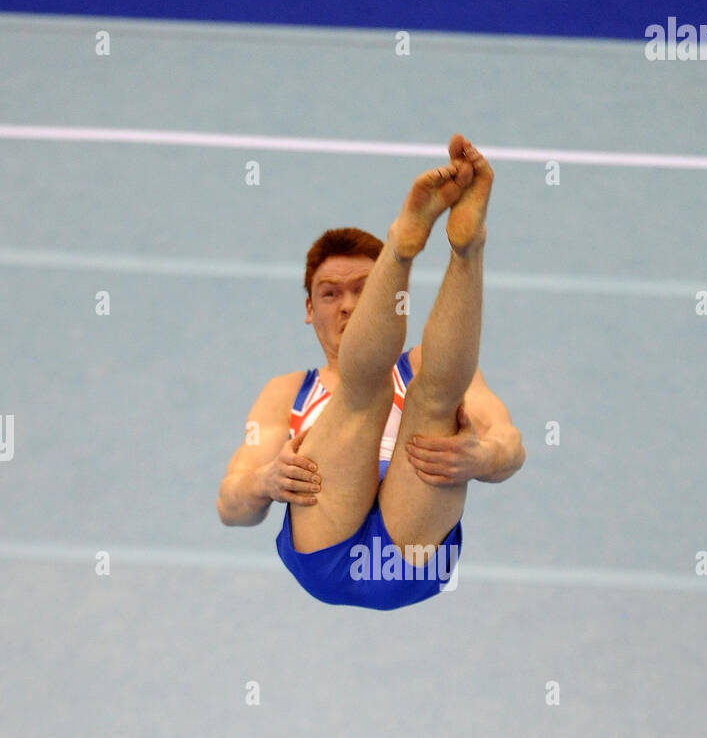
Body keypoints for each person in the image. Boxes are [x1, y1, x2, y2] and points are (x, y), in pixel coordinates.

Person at [217, 135, 525, 609]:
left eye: (365, 288)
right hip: (326, 549)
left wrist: (481, 459)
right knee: (363, 391)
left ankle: (467, 247)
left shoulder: (424, 362)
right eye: (330, 294)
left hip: (413, 551)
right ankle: (403, 248)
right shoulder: (286, 392)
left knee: (434, 397)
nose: (349, 307)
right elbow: (231, 504)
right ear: (308, 308)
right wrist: (266, 481)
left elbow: (508, 444)